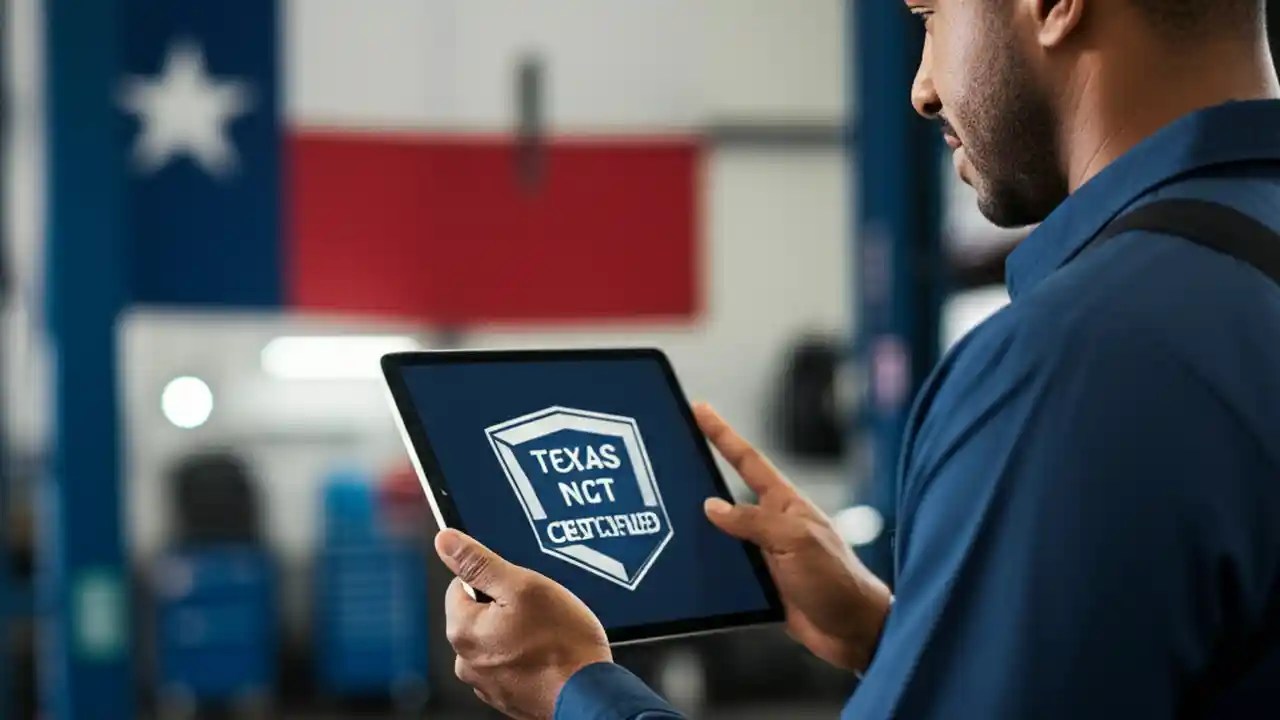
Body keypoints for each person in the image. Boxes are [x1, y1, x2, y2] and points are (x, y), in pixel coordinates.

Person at [434, 0, 1280, 717]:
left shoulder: (1067, 365)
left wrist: (575, 686)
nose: (922, 87)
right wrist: (898, 636)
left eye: (930, 16)